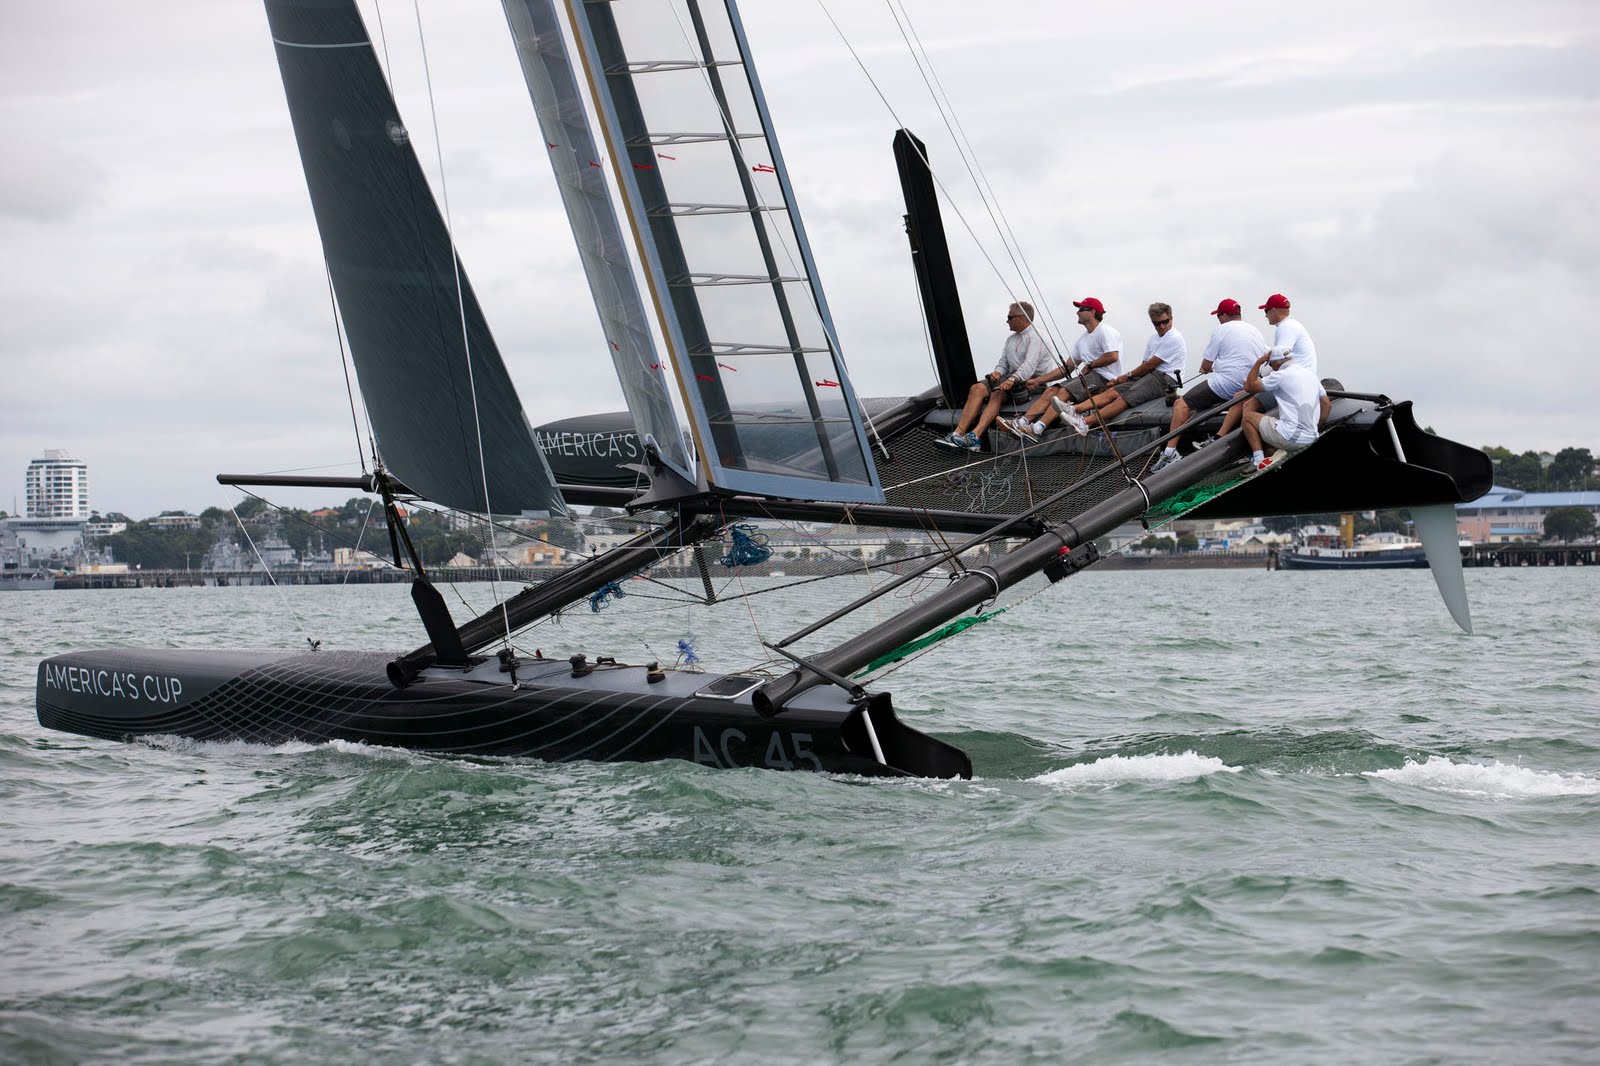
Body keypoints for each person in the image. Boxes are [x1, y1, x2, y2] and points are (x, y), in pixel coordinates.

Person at [1150, 298, 1265, 470]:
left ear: (1224, 316)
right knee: (1237, 397)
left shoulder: (1221, 329)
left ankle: (1170, 452)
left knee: (1181, 404)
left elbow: (1206, 365)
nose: (1219, 320)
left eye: (1218, 316)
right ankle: (1220, 439)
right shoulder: (1255, 331)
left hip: (1226, 383)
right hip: (1249, 384)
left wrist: (1206, 369)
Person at [1043, 302, 1185, 435]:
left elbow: (1150, 365)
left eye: (1165, 322)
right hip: (1149, 374)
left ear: (1171, 319)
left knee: (1125, 397)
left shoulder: (1173, 338)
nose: (1161, 326)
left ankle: (1085, 423)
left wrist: (1127, 376)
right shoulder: (1153, 338)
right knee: (1112, 391)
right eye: (1157, 323)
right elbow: (1144, 364)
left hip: (1164, 377)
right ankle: (1074, 409)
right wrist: (1121, 380)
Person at [995, 297, 1121, 440]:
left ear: (1092, 312)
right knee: (1051, 390)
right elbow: (1067, 368)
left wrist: (1091, 365)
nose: (1077, 312)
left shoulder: (1106, 331)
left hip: (1104, 378)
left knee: (1063, 391)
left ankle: (1037, 429)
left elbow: (1112, 356)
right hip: (1088, 377)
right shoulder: (1082, 340)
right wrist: (1039, 380)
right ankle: (1021, 423)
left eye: (1081, 309)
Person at [934, 301, 1053, 450]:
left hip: (1033, 381)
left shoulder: (1037, 337)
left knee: (998, 392)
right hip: (1010, 376)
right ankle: (957, 434)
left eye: (1009, 317)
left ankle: (975, 436)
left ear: (1022, 317)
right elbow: (1003, 363)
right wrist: (998, 372)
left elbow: (1029, 366)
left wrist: (1012, 380)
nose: (1007, 321)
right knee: (977, 388)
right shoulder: (1011, 339)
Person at [1240, 348, 1330, 471]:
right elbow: (1326, 405)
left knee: (1248, 417)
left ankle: (1258, 460)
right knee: (1275, 422)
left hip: (1289, 437)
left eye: (1271, 364)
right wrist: (1317, 426)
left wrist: (1259, 362)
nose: (1272, 368)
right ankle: (1274, 450)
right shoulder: (1311, 375)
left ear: (1275, 363)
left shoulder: (1280, 375)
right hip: (1311, 437)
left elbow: (1249, 386)